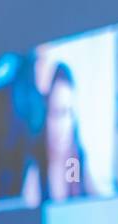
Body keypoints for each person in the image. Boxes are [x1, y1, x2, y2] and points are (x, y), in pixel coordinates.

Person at [22, 63, 96, 206]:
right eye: (56, 112)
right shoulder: (35, 170)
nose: (64, 124)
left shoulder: (75, 161)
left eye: (68, 112)